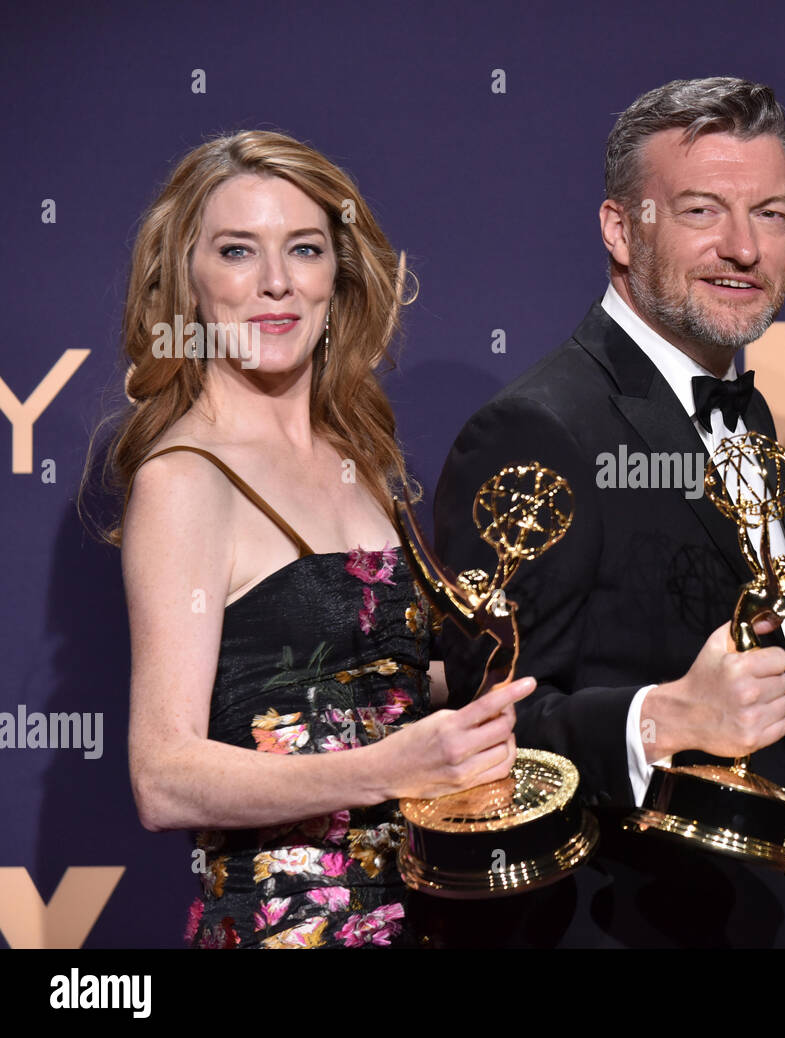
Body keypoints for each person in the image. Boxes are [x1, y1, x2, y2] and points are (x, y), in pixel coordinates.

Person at [100, 130, 531, 948]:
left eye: (303, 249)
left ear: (338, 273)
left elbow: (366, 691)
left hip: (423, 914)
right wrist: (388, 769)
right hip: (287, 927)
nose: (275, 284)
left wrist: (500, 678)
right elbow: (163, 776)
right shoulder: (186, 479)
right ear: (187, 283)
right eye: (237, 252)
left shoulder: (358, 456)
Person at [433, 77, 785, 947]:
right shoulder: (539, 427)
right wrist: (665, 716)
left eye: (771, 213)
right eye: (700, 211)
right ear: (621, 228)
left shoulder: (750, 413)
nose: (743, 247)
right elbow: (489, 727)